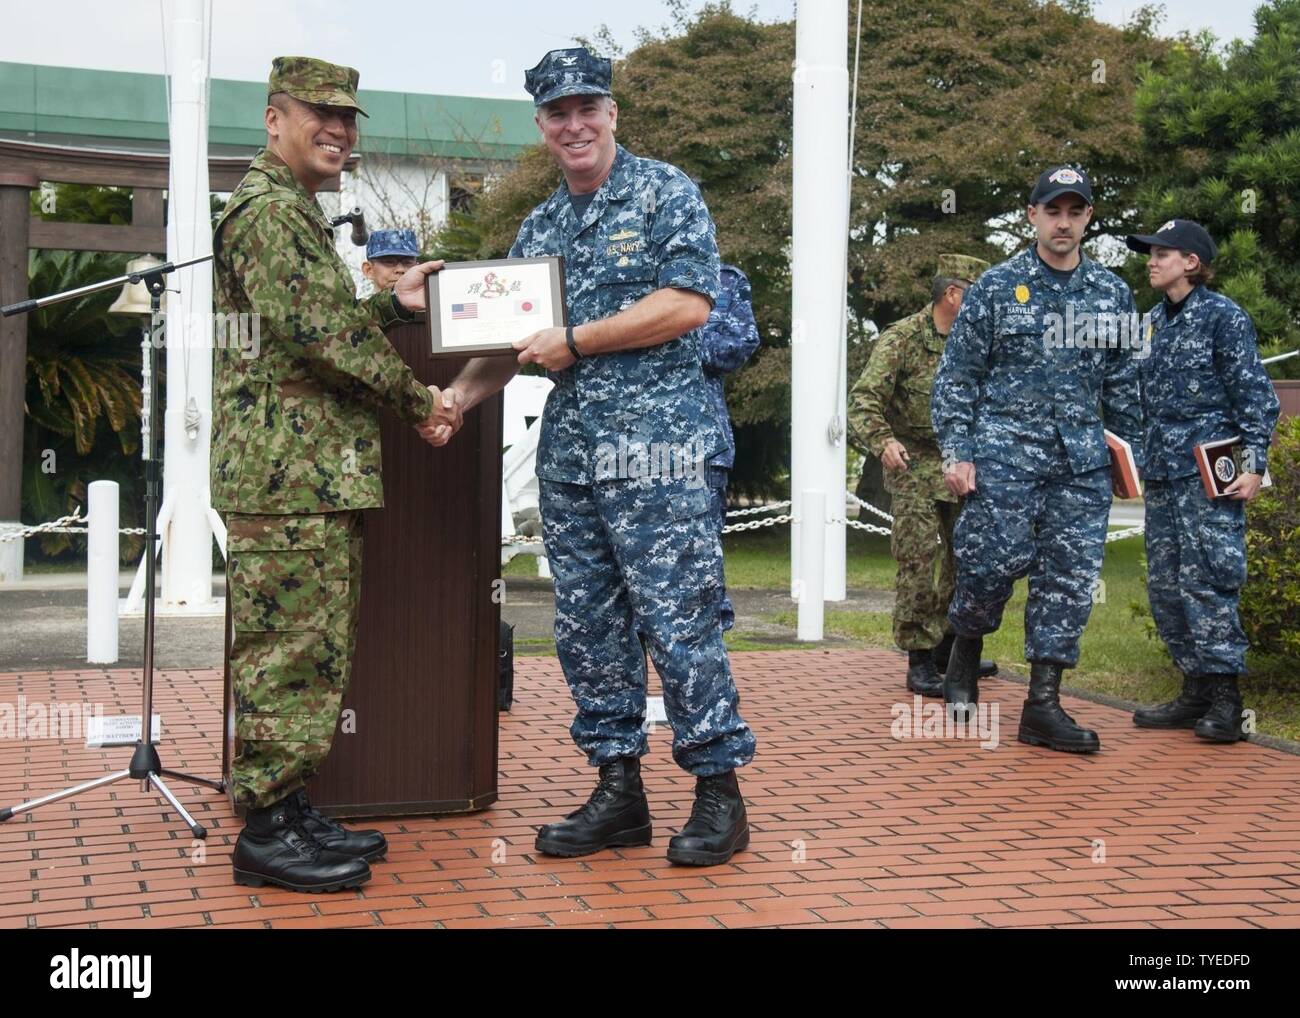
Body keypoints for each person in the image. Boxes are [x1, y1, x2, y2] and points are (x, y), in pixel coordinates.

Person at [431, 48, 757, 866]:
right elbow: (509, 345)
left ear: (612, 113)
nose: (574, 124)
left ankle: (719, 794)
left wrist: (574, 340)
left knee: (679, 624)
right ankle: (620, 791)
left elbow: (686, 304)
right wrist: (456, 402)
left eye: (587, 108)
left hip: (664, 455)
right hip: (575, 460)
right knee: (589, 630)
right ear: (541, 126)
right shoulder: (539, 228)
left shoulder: (664, 193)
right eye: (557, 113)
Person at [211, 56, 460, 892]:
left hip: (307, 474)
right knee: (287, 652)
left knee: (311, 648)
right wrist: (420, 399)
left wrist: (395, 305)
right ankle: (265, 831)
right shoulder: (268, 214)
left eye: (349, 119)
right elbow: (323, 341)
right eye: (322, 114)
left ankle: (288, 806)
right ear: (274, 118)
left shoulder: (292, 213)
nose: (339, 131)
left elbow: (315, 325)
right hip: (287, 478)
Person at [931, 166, 1143, 753]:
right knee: (989, 563)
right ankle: (964, 655)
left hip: (1081, 464)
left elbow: (1126, 384)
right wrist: (958, 452)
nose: (1064, 223)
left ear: (1088, 220)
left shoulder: (1112, 294)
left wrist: (1131, 456)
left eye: (1075, 213)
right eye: (1053, 211)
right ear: (1032, 215)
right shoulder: (998, 289)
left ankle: (1043, 705)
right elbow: (957, 379)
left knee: (1069, 581)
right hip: (1004, 457)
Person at [1125, 219, 1280, 742]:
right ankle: (1193, 690)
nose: (1151, 261)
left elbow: (1256, 399)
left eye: (1161, 253)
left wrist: (1255, 465)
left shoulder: (1223, 318)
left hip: (1211, 474)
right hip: (1165, 477)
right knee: (1167, 586)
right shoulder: (1150, 323)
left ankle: (1226, 700)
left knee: (1210, 579)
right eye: (1149, 253)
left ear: (1191, 262)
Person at [847, 254, 997, 698]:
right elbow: (864, 400)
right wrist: (883, 442)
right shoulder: (903, 339)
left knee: (966, 560)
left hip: (962, 463)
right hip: (913, 466)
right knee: (918, 561)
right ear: (953, 294)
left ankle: (951, 651)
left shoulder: (976, 342)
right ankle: (918, 658)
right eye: (976, 293)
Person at [699, 262, 760, 631]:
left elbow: (739, 345)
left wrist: (664, 335)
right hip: (627, 447)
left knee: (701, 566)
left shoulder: (724, 280)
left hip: (702, 448)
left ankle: (702, 686)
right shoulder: (624, 273)